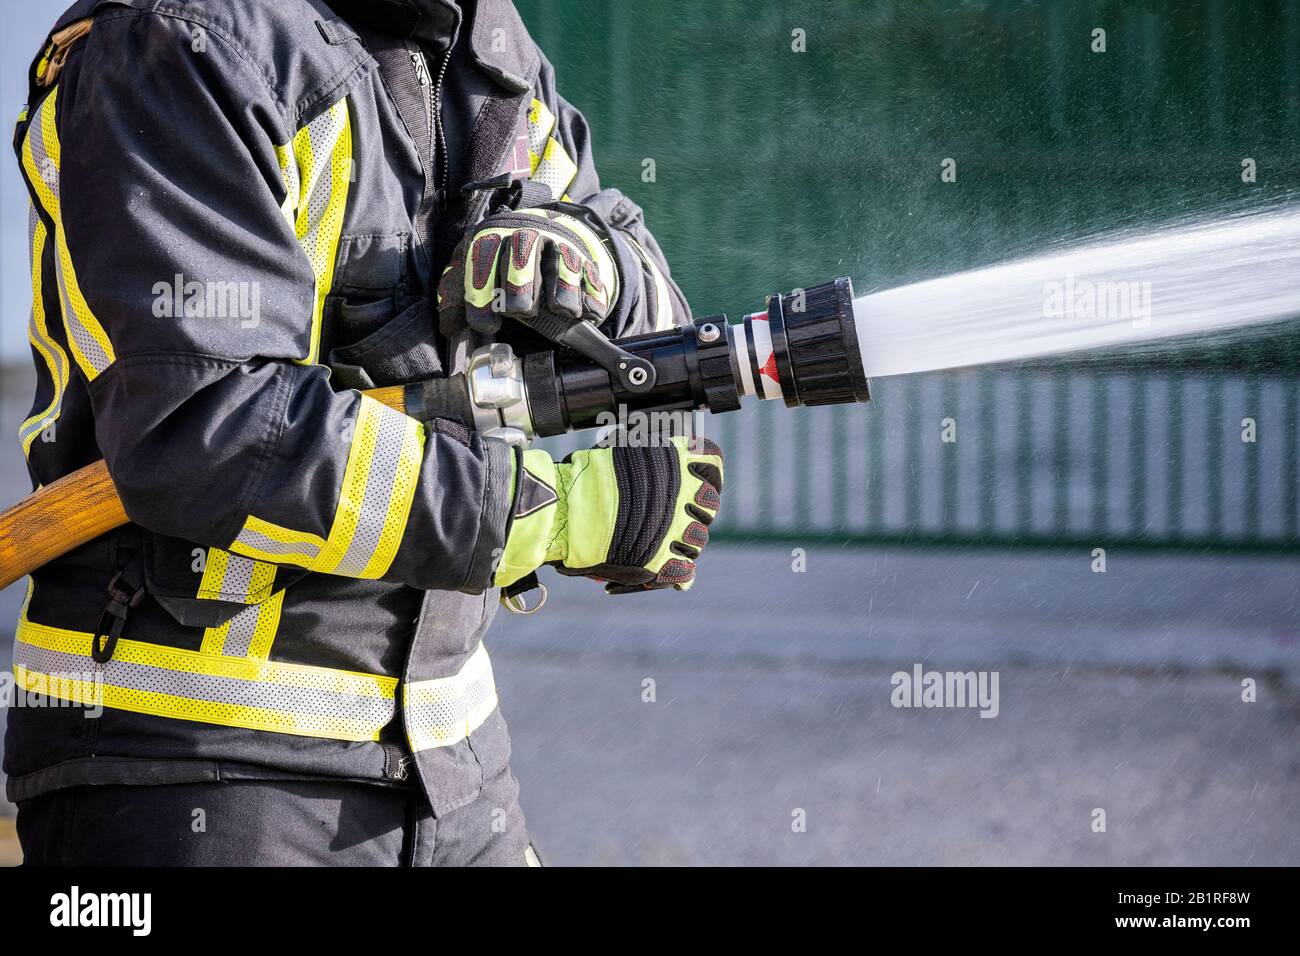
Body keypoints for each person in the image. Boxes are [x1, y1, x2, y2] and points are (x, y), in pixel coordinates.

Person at [7, 0, 723, 866]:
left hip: (453, 756)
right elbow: (210, 430)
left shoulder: (482, 41)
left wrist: (588, 260)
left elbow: (636, 281)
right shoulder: (179, 41)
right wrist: (535, 515)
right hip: (196, 768)